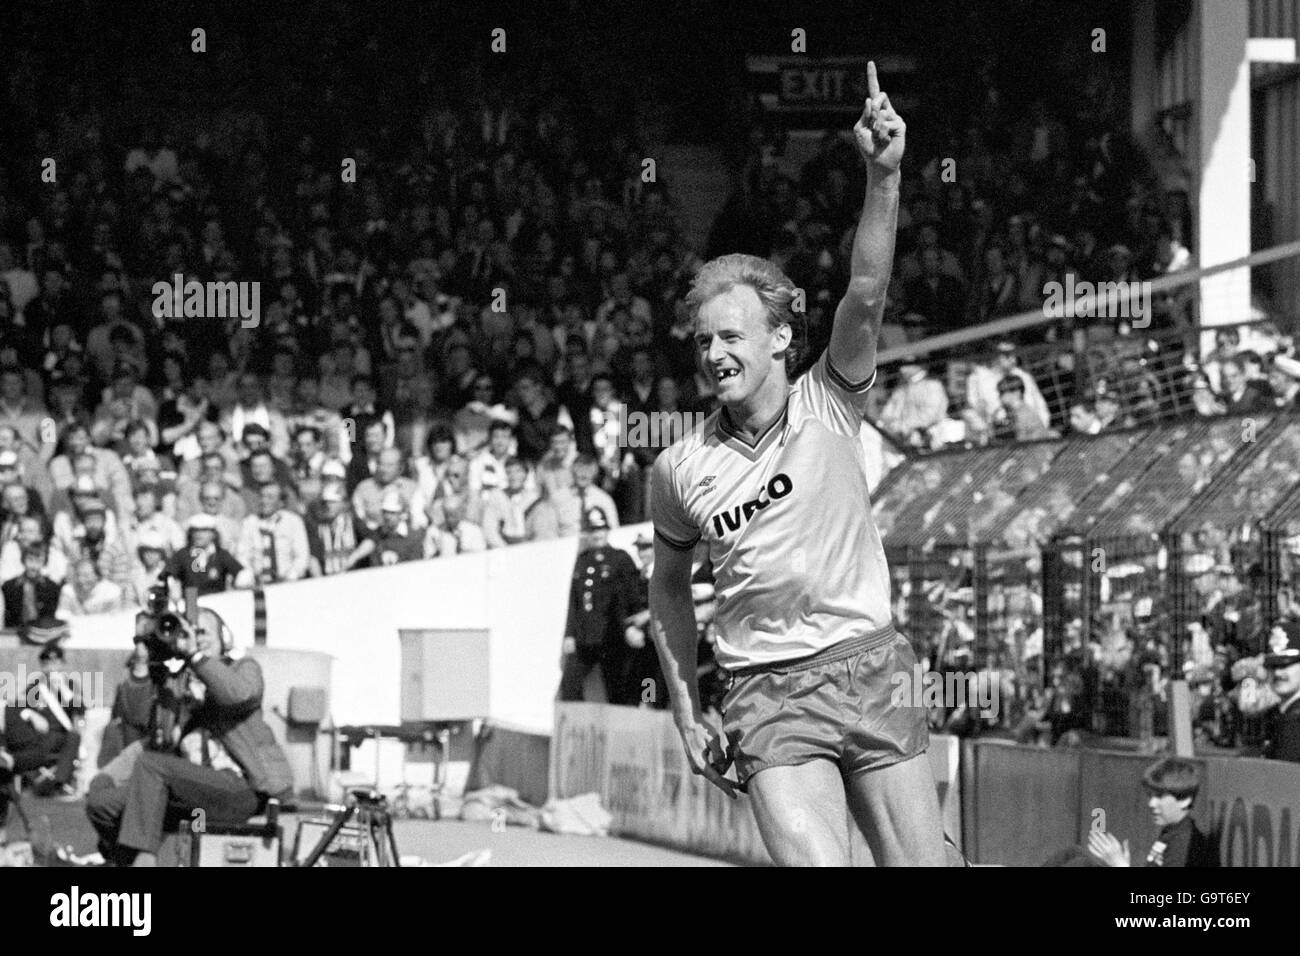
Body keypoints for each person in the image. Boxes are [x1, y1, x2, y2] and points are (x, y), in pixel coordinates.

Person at [648, 66, 945, 866]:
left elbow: (867, 291)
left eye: (731, 336)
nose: (714, 353)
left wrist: (884, 176)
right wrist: (686, 708)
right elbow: (667, 588)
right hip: (766, 691)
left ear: (780, 338)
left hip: (871, 666)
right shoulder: (679, 468)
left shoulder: (829, 400)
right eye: (703, 340)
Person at [84, 606, 293, 866]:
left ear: (224, 638)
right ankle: (128, 862)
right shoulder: (180, 680)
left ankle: (144, 863)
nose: (194, 638)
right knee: (102, 803)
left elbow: (238, 694)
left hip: (239, 790)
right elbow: (153, 733)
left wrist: (195, 657)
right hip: (191, 795)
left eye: (202, 632)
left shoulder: (244, 668)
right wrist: (152, 668)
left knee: (152, 766)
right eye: (188, 633)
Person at [559, 508, 641, 704]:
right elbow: (575, 600)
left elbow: (633, 598)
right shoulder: (583, 560)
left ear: (607, 531)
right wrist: (569, 634)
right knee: (569, 687)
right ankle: (578, 722)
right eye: (593, 530)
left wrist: (633, 627)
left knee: (617, 692)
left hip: (611, 637)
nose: (597, 535)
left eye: (601, 529)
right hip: (585, 638)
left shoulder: (620, 559)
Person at [1085, 757, 1219, 867]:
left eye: (1160, 796)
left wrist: (1120, 864)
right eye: (1150, 796)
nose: (1151, 803)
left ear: (1184, 800)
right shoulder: (1172, 832)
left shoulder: (1184, 842)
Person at [1263, 619, 1300, 762]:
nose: (1278, 673)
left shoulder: (1295, 720)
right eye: (1273, 666)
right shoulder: (1277, 713)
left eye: (1285, 666)